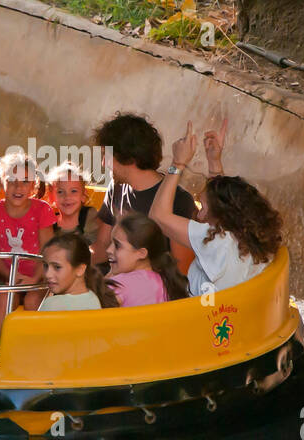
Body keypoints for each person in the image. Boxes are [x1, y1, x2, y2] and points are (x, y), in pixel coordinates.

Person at [149, 118, 284, 297]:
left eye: (202, 206)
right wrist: (214, 162)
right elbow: (221, 200)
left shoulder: (215, 240)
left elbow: (158, 216)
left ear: (221, 215)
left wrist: (178, 164)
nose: (199, 213)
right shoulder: (250, 237)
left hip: (202, 316)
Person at [90, 112, 197, 273]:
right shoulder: (116, 187)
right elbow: (102, 247)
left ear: (128, 157)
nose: (104, 163)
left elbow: (182, 270)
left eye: (107, 156)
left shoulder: (179, 200)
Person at [0, 149, 56, 327]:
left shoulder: (42, 210)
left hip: (39, 277)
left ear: (33, 185)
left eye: (25, 181)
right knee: (4, 295)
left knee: (31, 301)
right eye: (12, 181)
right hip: (8, 276)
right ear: (1, 182)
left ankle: (34, 350)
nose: (18, 187)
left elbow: (48, 250)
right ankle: (2, 352)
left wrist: (35, 278)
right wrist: (12, 276)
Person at [106, 212, 190, 306]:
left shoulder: (119, 285)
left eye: (117, 246)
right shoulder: (166, 281)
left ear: (141, 253)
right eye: (111, 243)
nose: (108, 250)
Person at [37, 233, 120, 311]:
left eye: (57, 267)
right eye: (45, 266)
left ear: (80, 269)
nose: (48, 274)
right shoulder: (94, 299)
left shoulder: (52, 304)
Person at [47, 161, 101, 247]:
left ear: (83, 195)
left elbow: (97, 248)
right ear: (51, 196)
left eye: (73, 191)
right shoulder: (49, 223)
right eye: (60, 192)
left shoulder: (89, 217)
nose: (67, 197)